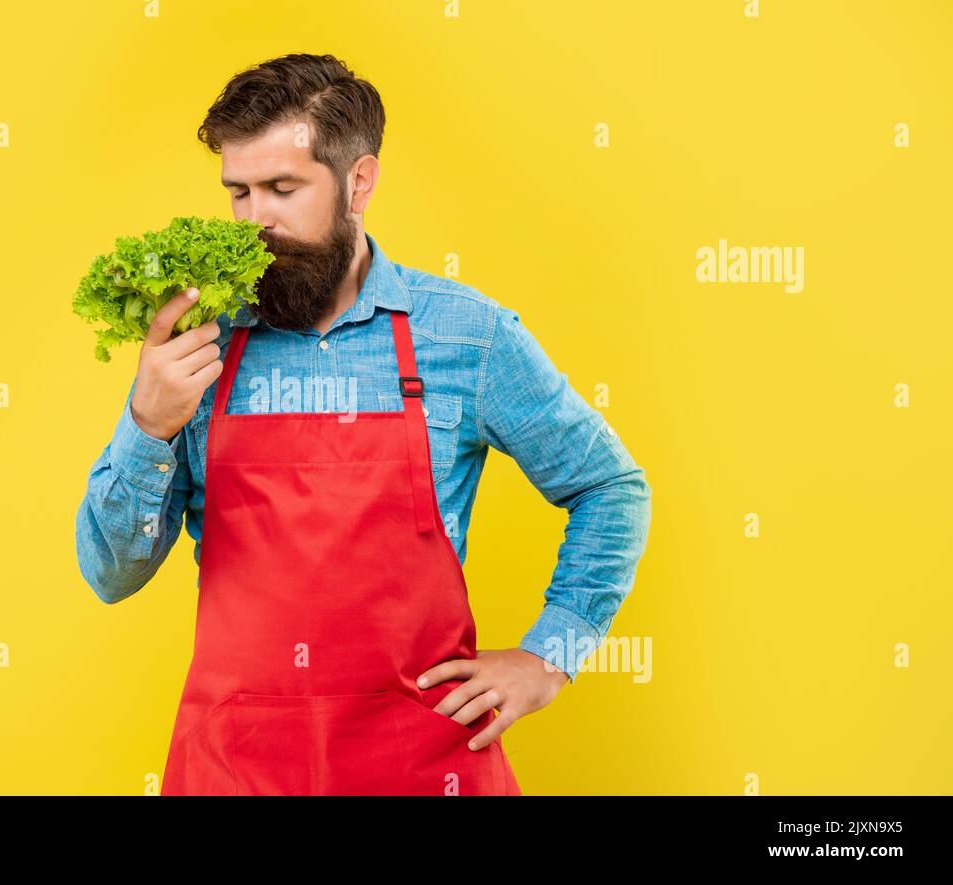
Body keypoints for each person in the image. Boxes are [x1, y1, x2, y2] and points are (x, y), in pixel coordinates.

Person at [75, 53, 652, 795]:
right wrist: (147, 426)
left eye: (283, 188)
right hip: (237, 766)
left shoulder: (464, 337)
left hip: (422, 763)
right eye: (239, 193)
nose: (256, 221)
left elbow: (610, 486)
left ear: (359, 181)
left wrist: (550, 656)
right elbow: (109, 575)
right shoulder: (197, 346)